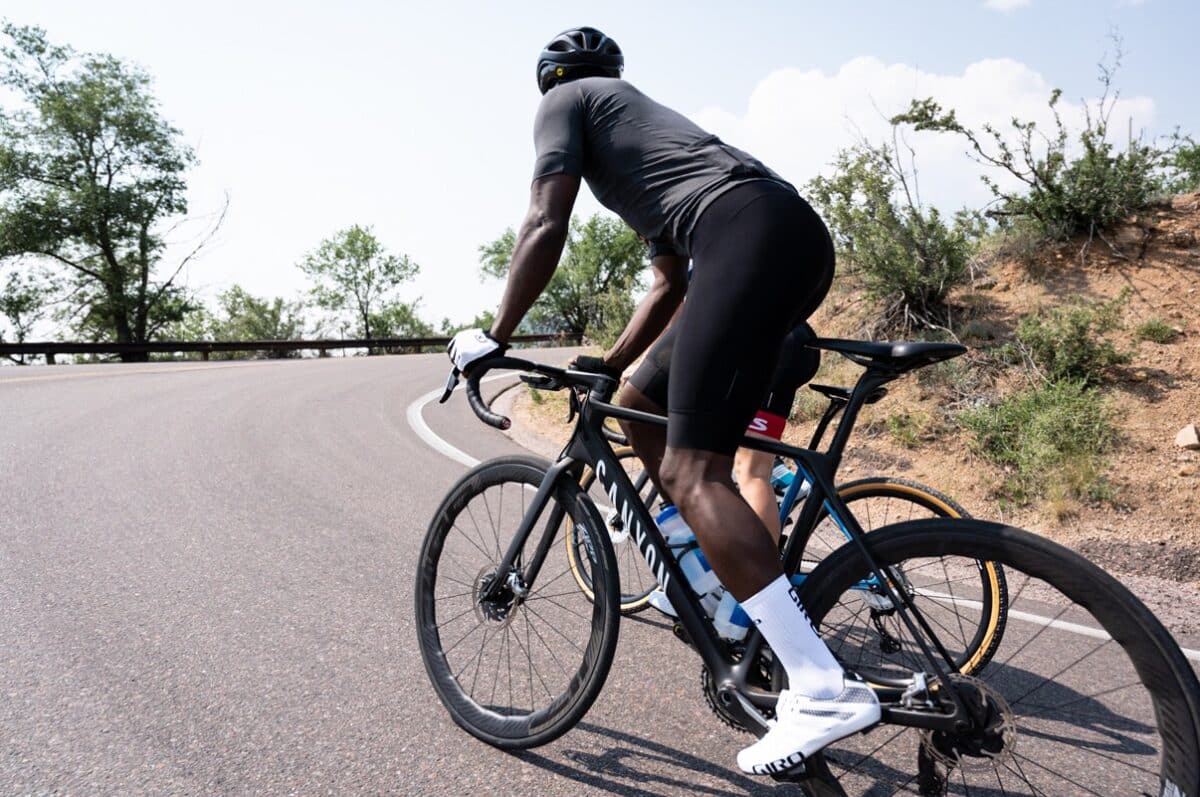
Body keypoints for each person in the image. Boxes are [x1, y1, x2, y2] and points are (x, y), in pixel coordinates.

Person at [446, 27, 878, 776]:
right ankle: (709, 586)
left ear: (551, 79)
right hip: (785, 233)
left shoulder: (567, 102)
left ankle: (819, 684)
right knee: (645, 399)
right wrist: (612, 368)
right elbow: (671, 283)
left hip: (746, 231)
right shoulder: (644, 136)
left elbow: (546, 222)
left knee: (691, 469)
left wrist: (494, 333)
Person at [622, 320, 820, 616]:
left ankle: (739, 596)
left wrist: (642, 364)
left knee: (750, 472)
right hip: (793, 338)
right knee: (755, 471)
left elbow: (681, 318)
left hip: (762, 340)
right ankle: (755, 592)